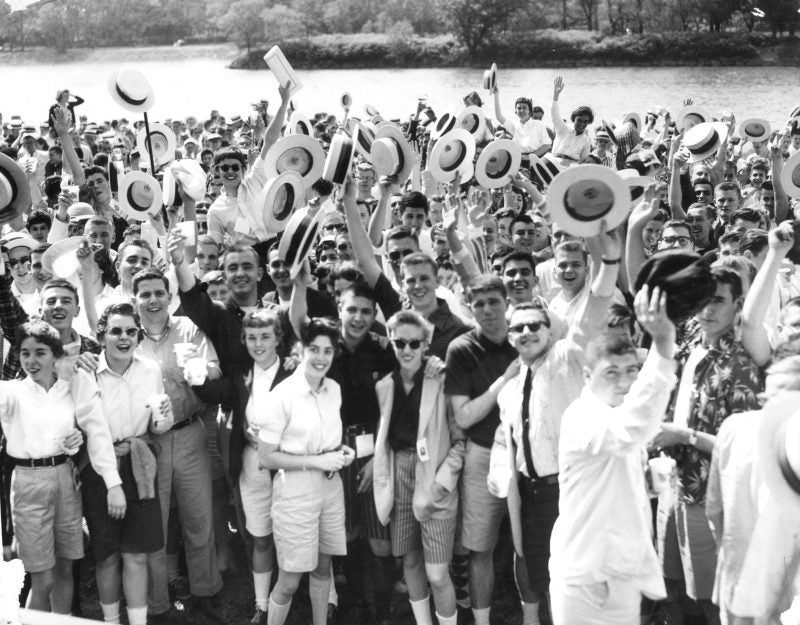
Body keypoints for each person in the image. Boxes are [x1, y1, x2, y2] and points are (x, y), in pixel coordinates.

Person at [549, 286, 678, 624]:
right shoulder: (581, 417)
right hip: (583, 577)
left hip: (623, 573)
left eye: (631, 371)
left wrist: (645, 484)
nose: (623, 382)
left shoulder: (615, 414)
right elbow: (630, 430)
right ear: (588, 377)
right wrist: (663, 348)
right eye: (611, 373)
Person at [0, 320, 122, 613]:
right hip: (28, 483)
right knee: (42, 580)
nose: (31, 360)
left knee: (65, 571)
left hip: (67, 479)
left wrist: (77, 438)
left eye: (40, 352)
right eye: (25, 353)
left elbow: (85, 432)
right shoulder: (10, 393)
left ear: (55, 355)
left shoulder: (68, 389)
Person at [192, 309, 291, 625]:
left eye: (265, 336)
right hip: (251, 466)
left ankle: (322, 599)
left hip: (291, 469)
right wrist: (195, 375)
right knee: (261, 537)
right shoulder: (240, 373)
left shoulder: (294, 371)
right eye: (252, 337)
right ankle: (262, 606)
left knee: (297, 537)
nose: (258, 343)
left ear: (278, 338)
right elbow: (213, 392)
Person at [257, 318, 355, 625]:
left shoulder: (334, 390)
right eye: (314, 349)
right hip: (295, 493)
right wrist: (316, 462)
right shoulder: (281, 395)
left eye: (328, 350)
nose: (321, 357)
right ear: (300, 350)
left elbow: (326, 441)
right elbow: (266, 457)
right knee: (289, 580)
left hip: (330, 489)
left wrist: (341, 451)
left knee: (323, 569)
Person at [373, 310, 465, 625]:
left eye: (415, 343)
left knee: (438, 574)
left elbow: (459, 440)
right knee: (410, 561)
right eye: (400, 343)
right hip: (400, 473)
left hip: (434, 476)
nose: (407, 350)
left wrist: (443, 482)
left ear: (426, 344)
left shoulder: (441, 378)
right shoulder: (385, 385)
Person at [83, 303, 164, 625]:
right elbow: (95, 431)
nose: (124, 337)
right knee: (106, 556)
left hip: (140, 467)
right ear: (101, 335)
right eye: (115, 330)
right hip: (101, 471)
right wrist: (112, 484)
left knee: (136, 554)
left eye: (131, 331)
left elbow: (156, 425)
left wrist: (163, 421)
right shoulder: (87, 373)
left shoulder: (150, 370)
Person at [551, 77, 592, 164]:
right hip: (555, 162)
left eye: (585, 122)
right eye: (579, 120)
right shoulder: (562, 128)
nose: (582, 124)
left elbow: (583, 161)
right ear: (574, 119)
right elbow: (554, 114)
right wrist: (555, 96)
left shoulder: (586, 141)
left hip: (571, 168)